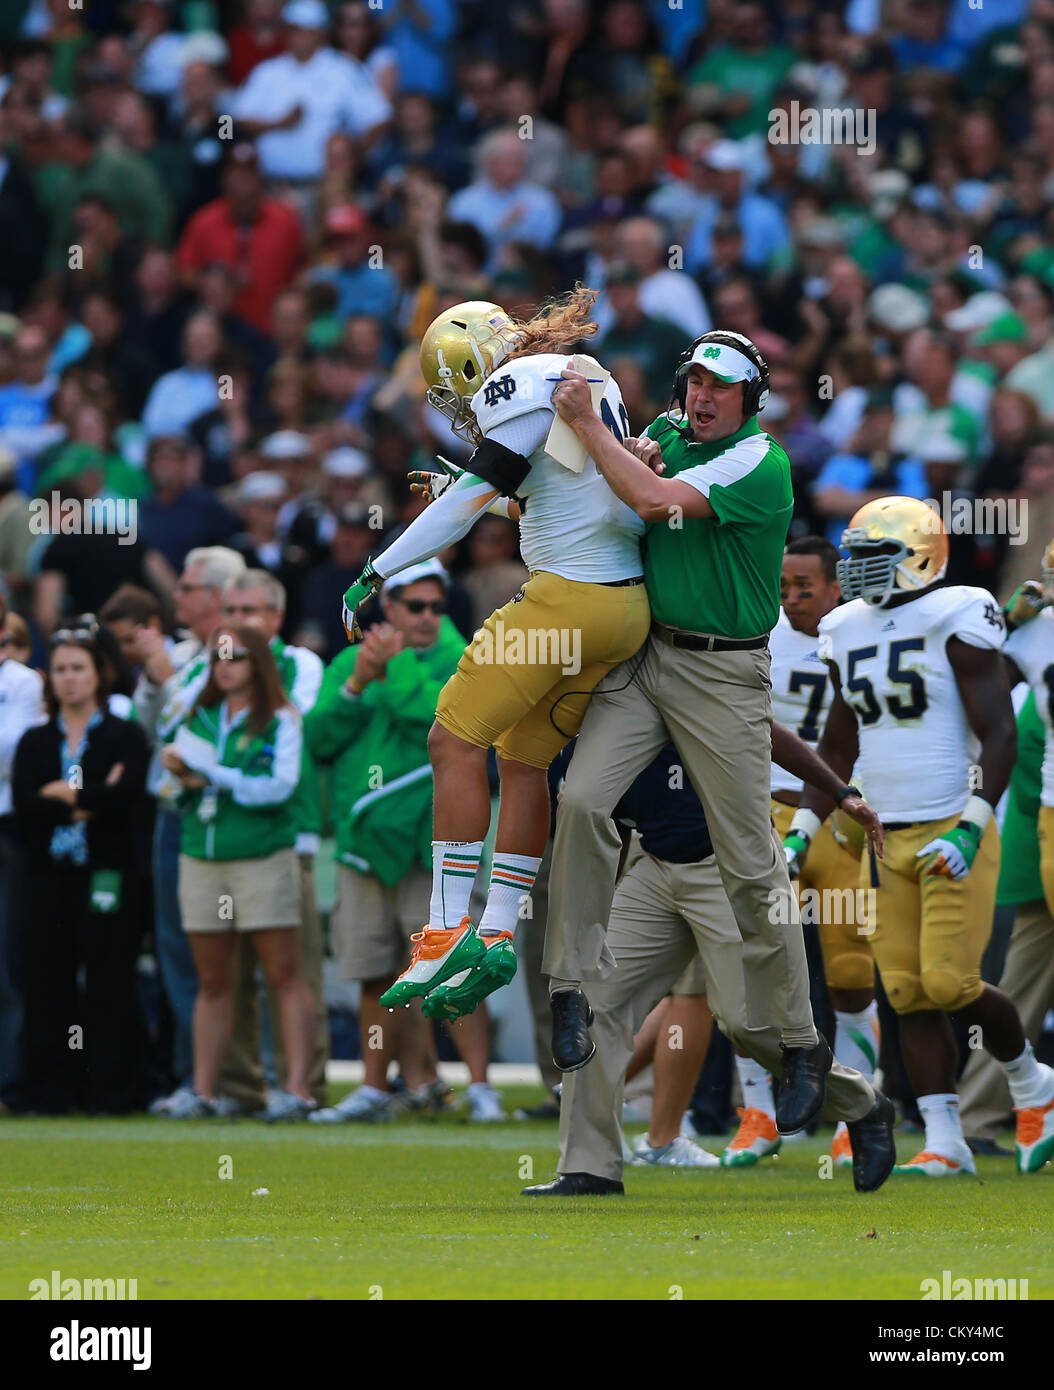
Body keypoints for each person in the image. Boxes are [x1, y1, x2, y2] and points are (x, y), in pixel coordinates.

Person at [542, 331, 888, 1167]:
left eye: (721, 387)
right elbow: (611, 489)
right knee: (582, 799)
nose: (702, 396)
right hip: (655, 654)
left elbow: (655, 502)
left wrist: (591, 431)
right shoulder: (665, 431)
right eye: (694, 381)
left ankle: (811, 1051)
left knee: (750, 871)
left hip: (723, 670)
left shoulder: (759, 462)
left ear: (750, 400)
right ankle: (566, 1025)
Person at [339, 291, 650, 1028]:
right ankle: (499, 931)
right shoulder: (581, 374)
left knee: (451, 737)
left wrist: (378, 570)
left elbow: (466, 507)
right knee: (521, 761)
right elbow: (558, 496)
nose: (464, 406)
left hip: (566, 599)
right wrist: (471, 488)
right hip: (619, 608)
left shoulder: (520, 382)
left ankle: (446, 926)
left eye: (458, 390)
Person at [525, 720, 887, 1195]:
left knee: (749, 1023)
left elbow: (761, 726)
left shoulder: (682, 662)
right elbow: (601, 813)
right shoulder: (590, 694)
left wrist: (839, 791)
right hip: (651, 863)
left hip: (728, 867)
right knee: (592, 1003)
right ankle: (589, 1166)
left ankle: (863, 1104)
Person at [803, 497, 1054, 1175]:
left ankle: (1033, 1083)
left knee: (949, 983)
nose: (855, 572)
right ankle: (945, 1140)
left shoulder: (957, 610)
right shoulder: (844, 627)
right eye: (851, 558)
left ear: (919, 557)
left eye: (872, 557)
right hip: (884, 834)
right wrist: (804, 826)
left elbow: (999, 731)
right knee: (906, 991)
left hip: (950, 821)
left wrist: (974, 824)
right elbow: (838, 739)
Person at [306, 560, 502, 1122]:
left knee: (460, 970)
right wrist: (354, 683)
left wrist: (385, 673)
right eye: (414, 607)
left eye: (437, 608)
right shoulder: (352, 660)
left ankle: (481, 1088)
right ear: (387, 607)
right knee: (374, 974)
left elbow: (433, 720)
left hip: (436, 849)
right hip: (364, 847)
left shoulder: (464, 658)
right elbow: (319, 738)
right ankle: (373, 1086)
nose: (427, 618)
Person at [727, 537, 879, 1170]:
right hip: (760, 806)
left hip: (837, 810)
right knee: (748, 963)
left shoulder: (857, 637)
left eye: (805, 588)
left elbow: (854, 740)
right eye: (784, 587)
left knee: (849, 970)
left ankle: (858, 1109)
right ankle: (759, 1111)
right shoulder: (756, 633)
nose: (791, 599)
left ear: (836, 587)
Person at [159, 623, 317, 1119]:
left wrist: (211, 775)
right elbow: (170, 790)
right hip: (201, 856)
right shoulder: (199, 716)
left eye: (237, 657)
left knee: (283, 974)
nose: (225, 667)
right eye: (219, 658)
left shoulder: (282, 719)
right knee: (213, 981)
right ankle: (203, 1092)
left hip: (261, 856)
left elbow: (278, 787)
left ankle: (296, 1090)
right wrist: (181, 781)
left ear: (258, 664)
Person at [10, 627, 149, 1113]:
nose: (70, 679)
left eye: (79, 669)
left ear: (98, 675)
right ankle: (50, 1090)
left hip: (106, 873)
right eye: (62, 670)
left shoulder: (123, 734)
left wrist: (66, 795)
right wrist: (90, 799)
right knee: (48, 983)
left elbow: (126, 796)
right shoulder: (35, 739)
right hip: (48, 877)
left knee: (110, 981)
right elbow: (26, 804)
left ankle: (112, 1090)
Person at [133, 545, 247, 1105]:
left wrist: (165, 681)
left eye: (187, 588)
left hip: (227, 813)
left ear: (219, 596)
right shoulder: (181, 653)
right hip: (173, 812)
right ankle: (193, 1076)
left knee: (234, 952)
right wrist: (157, 681)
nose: (175, 596)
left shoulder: (237, 653)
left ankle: (244, 1078)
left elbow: (201, 727)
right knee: (178, 948)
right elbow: (148, 725)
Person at [0, 585, 45, 1109]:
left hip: (8, 832)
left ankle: (10, 1084)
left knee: (8, 967)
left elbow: (15, 750)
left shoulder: (24, 683)